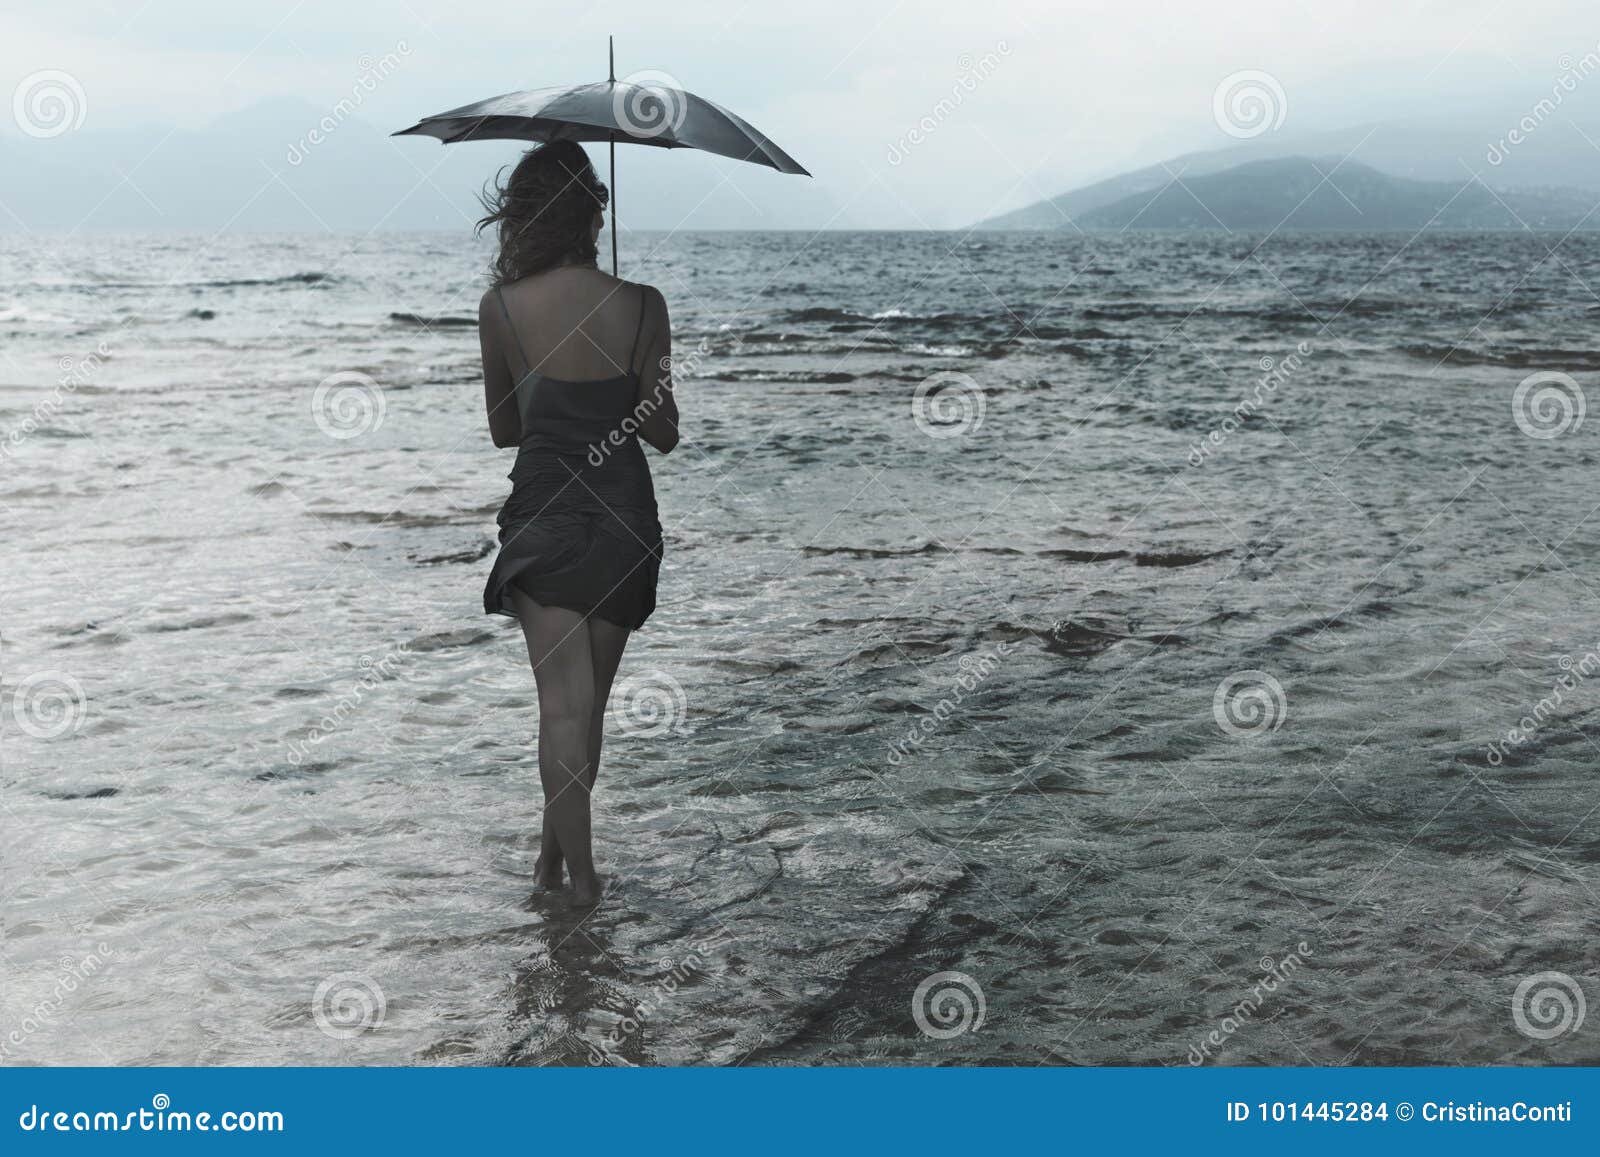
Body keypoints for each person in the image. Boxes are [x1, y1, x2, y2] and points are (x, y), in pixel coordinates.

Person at [475, 140, 679, 907]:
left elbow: (505, 428)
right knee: (587, 708)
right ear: (595, 210)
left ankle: (574, 876)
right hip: (624, 521)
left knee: (561, 706)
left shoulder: (499, 309)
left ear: (526, 215)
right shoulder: (644, 304)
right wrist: (622, 363)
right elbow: (664, 431)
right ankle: (553, 864)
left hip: (546, 517)